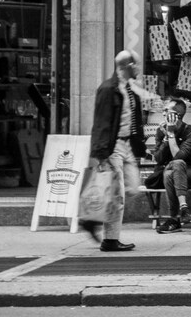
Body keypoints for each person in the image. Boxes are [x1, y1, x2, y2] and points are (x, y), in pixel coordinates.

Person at [80, 49, 157, 252]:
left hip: (127, 145)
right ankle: (110, 239)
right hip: (112, 147)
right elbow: (101, 123)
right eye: (137, 64)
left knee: (132, 188)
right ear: (127, 66)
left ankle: (93, 219)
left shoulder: (130, 89)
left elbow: (135, 118)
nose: (139, 68)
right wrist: (100, 153)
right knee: (118, 195)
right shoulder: (108, 89)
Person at [147, 98, 191, 234]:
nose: (163, 113)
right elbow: (159, 159)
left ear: (177, 115)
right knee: (170, 171)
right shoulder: (161, 131)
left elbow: (179, 157)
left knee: (175, 166)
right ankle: (183, 208)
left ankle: (174, 219)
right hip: (167, 170)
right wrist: (166, 138)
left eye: (167, 110)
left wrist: (171, 134)